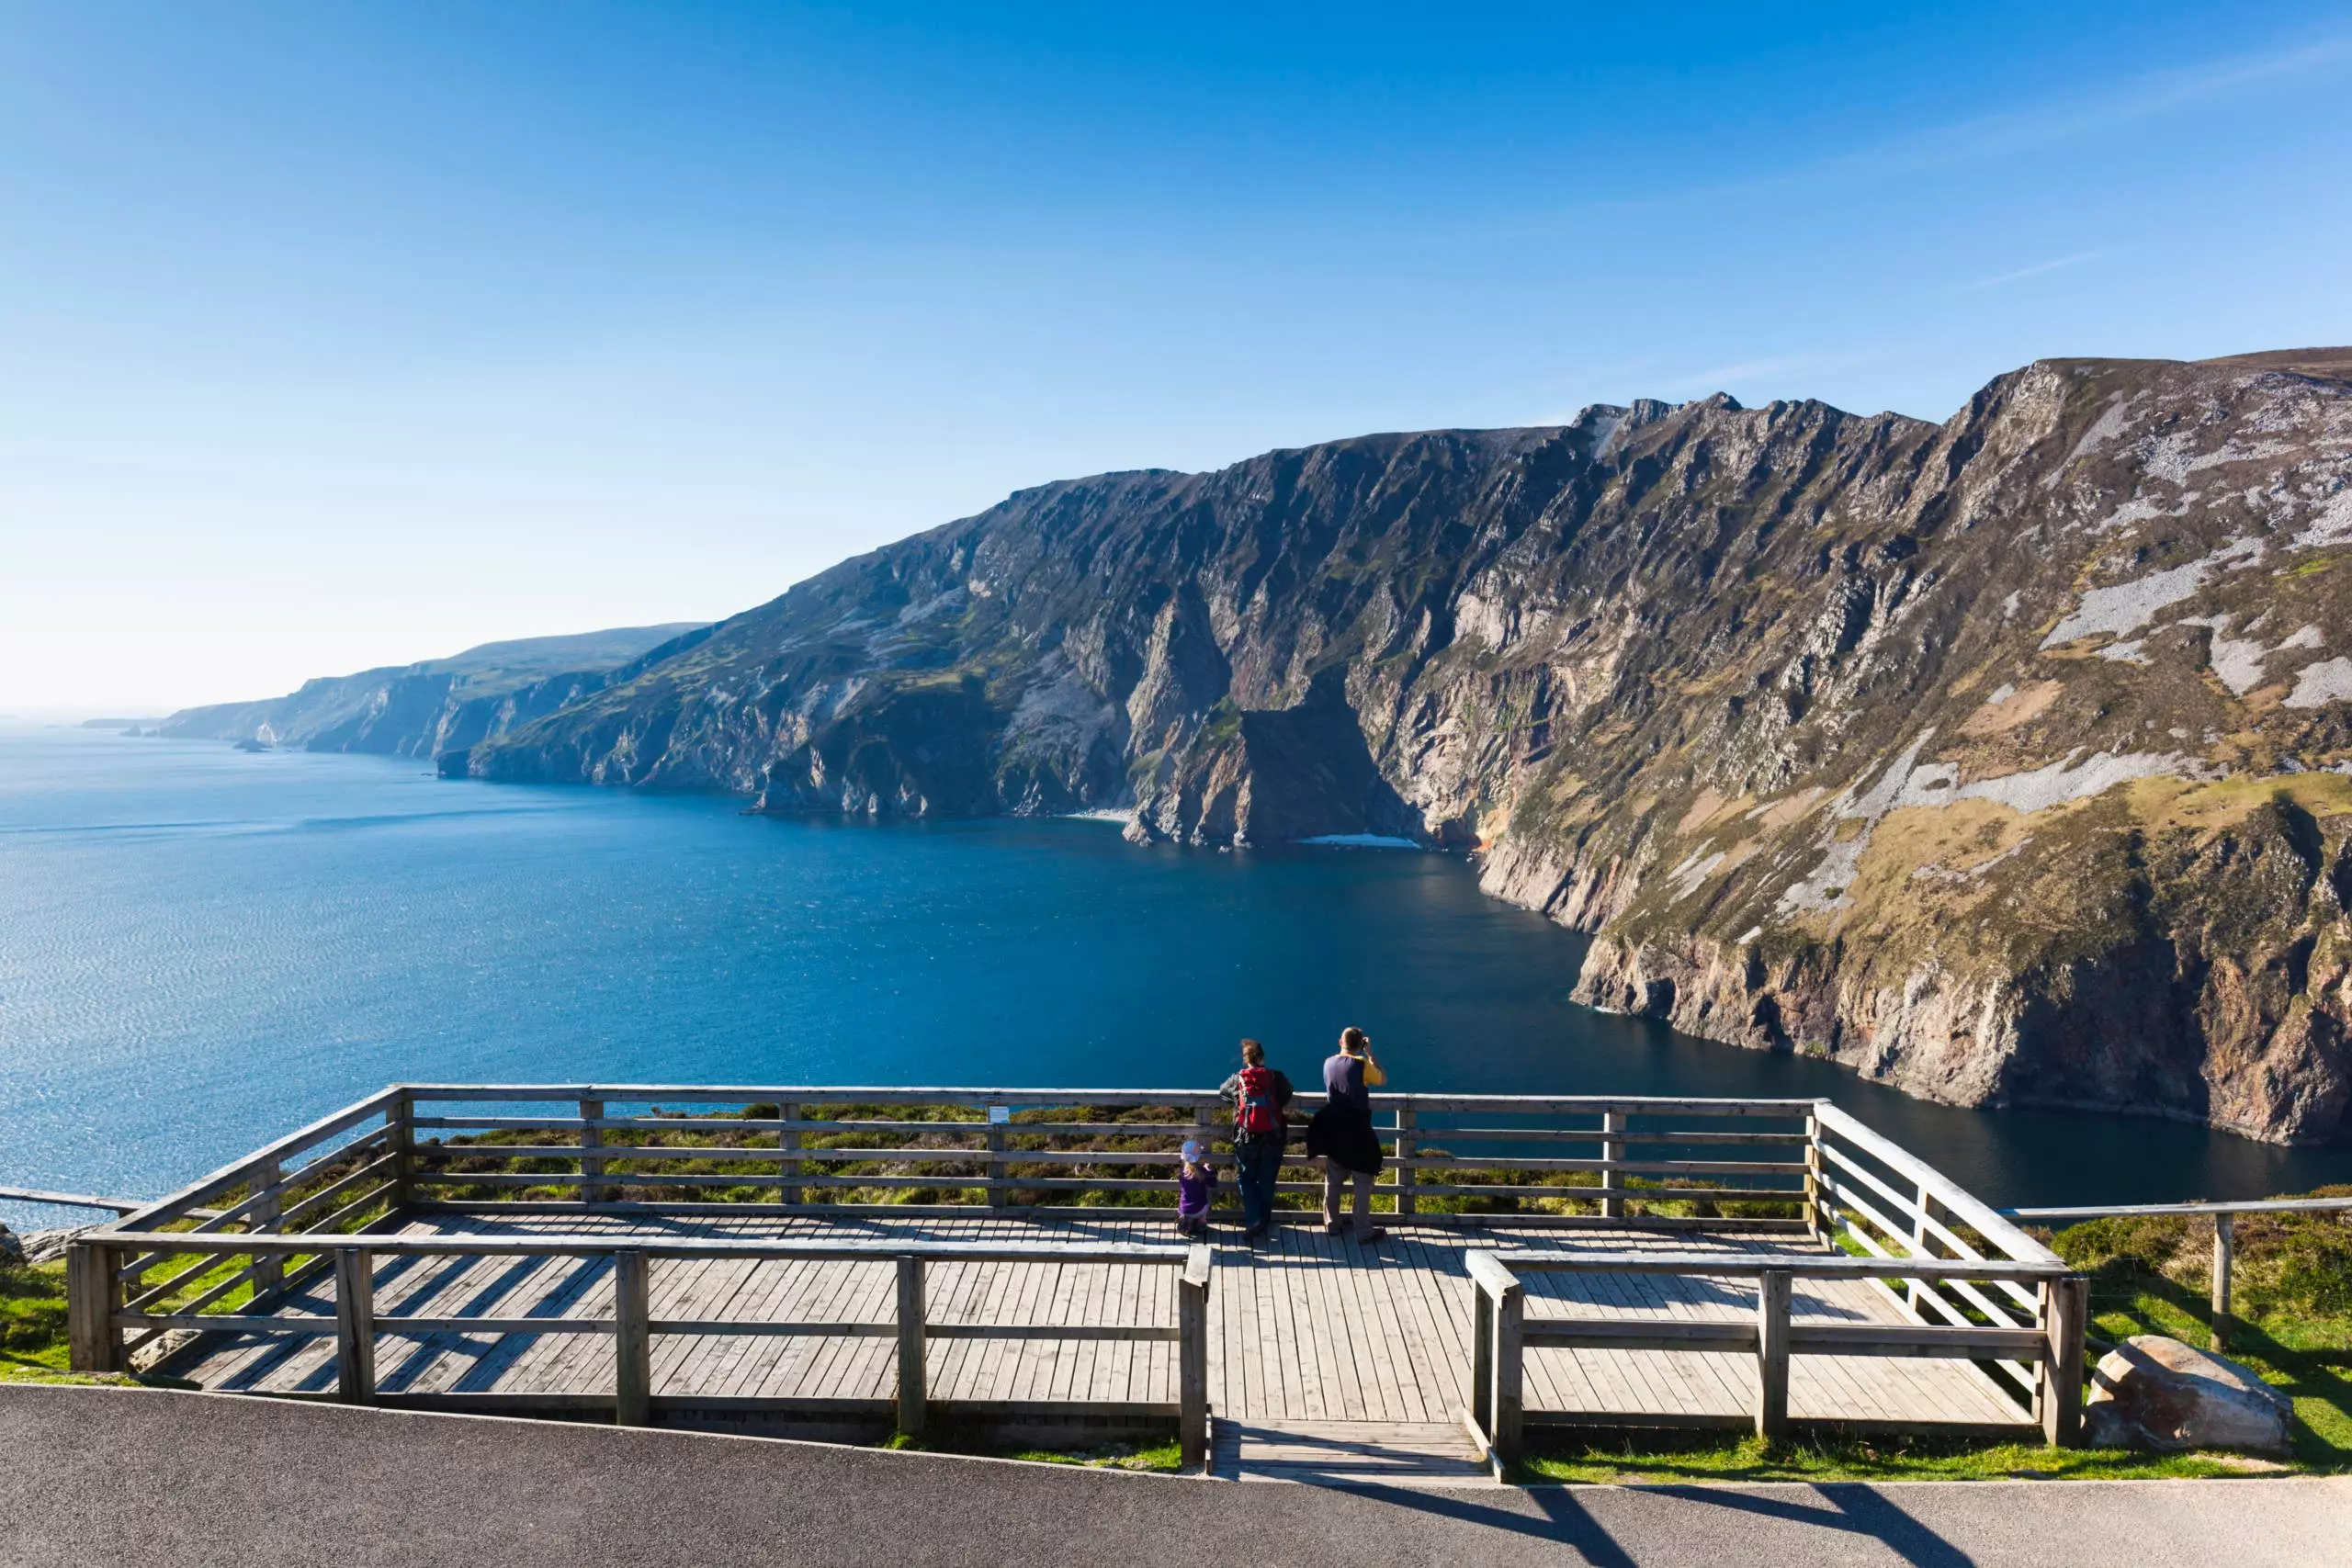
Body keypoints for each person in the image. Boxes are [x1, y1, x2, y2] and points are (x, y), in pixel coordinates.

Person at [1306, 1025, 1387, 1243]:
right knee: (1363, 1178)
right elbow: (1381, 1079)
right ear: (1360, 1045)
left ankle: (1332, 1223)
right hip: (1358, 1129)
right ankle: (1362, 1230)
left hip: (1334, 1128)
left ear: (1340, 1042)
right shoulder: (1361, 1065)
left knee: (1334, 1178)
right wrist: (1370, 1054)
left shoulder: (1328, 1063)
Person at [1218, 1038, 1294, 1243]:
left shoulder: (1238, 1079)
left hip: (1247, 1137)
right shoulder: (1276, 1077)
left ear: (1246, 1060)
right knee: (1267, 1180)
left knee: (1246, 1178)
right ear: (1262, 1057)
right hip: (1273, 1137)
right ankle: (1264, 1221)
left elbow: (1222, 1092)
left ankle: (1254, 1220)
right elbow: (1288, 1094)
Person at [1174, 1138, 1216, 1237]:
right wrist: (1209, 1171)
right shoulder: (1203, 1172)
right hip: (1200, 1208)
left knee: (1185, 1200)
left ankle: (1186, 1224)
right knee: (1206, 1199)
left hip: (1185, 1209)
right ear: (1199, 1156)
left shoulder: (1181, 1172)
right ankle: (1201, 1221)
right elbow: (1213, 1184)